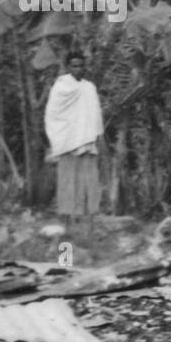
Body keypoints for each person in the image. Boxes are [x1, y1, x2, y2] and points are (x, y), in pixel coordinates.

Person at [45, 51, 104, 246]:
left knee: (88, 182)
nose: (78, 69)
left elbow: (95, 114)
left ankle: (89, 226)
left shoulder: (89, 87)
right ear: (68, 67)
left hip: (87, 143)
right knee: (67, 181)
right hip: (68, 143)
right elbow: (53, 114)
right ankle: (66, 224)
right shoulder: (61, 87)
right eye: (74, 65)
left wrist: (95, 136)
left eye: (81, 65)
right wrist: (63, 137)